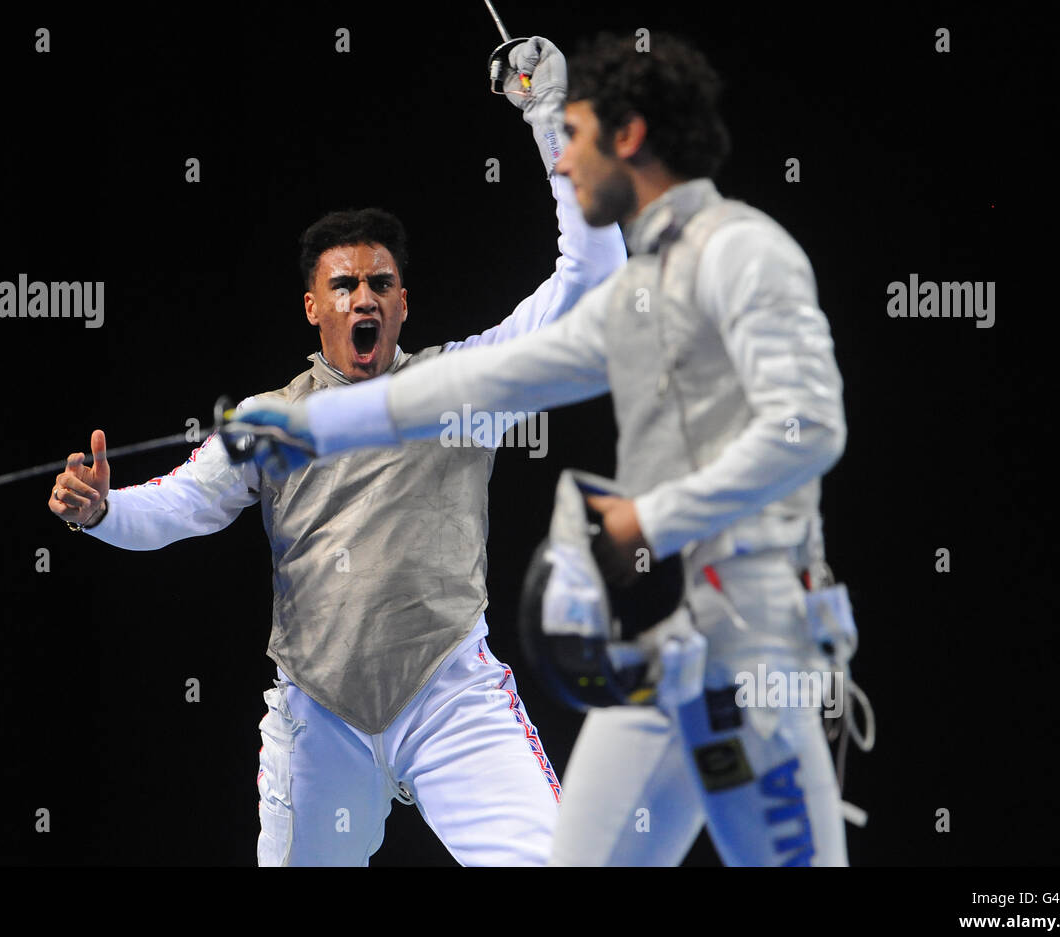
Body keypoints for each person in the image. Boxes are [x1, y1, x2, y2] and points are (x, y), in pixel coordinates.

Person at [235, 31, 857, 866]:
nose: (566, 163)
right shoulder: (644, 285)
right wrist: (309, 427)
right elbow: (476, 383)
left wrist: (646, 518)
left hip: (755, 661)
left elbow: (810, 426)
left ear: (629, 139)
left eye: (581, 139)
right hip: (657, 657)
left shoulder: (746, 251)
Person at [44, 37, 628, 866]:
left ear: (401, 304)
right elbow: (177, 505)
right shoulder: (272, 418)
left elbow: (593, 277)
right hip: (320, 719)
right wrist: (104, 510)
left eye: (381, 284)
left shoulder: (462, 382)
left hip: (449, 697)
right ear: (314, 307)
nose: (365, 298)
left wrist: (547, 113)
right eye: (346, 286)